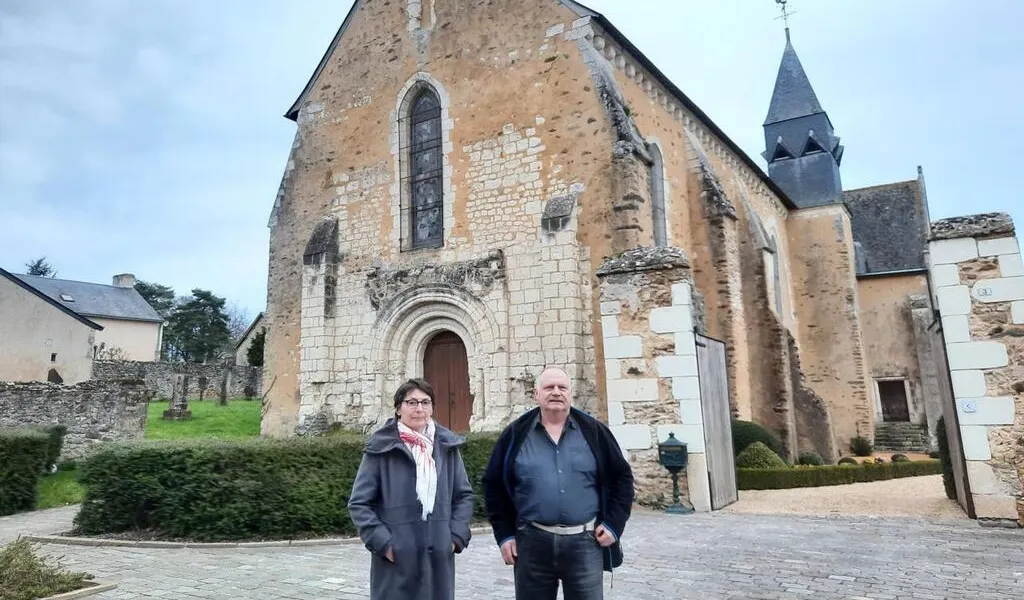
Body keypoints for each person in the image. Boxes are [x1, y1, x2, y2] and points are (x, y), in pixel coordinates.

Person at [482, 366, 635, 600]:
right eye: (549, 387)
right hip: (531, 544)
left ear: (570, 393)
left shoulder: (594, 432)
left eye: (562, 387)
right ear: (536, 394)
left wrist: (614, 524)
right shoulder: (515, 434)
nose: (556, 392)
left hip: (585, 543)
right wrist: (504, 535)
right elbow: (493, 485)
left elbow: (622, 479)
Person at [348, 378, 475, 600]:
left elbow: (463, 496)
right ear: (399, 409)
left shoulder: (447, 447)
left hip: (438, 559)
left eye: (425, 403)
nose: (419, 409)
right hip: (396, 561)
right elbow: (359, 503)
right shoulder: (381, 448)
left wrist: (455, 537)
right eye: (412, 402)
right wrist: (384, 543)